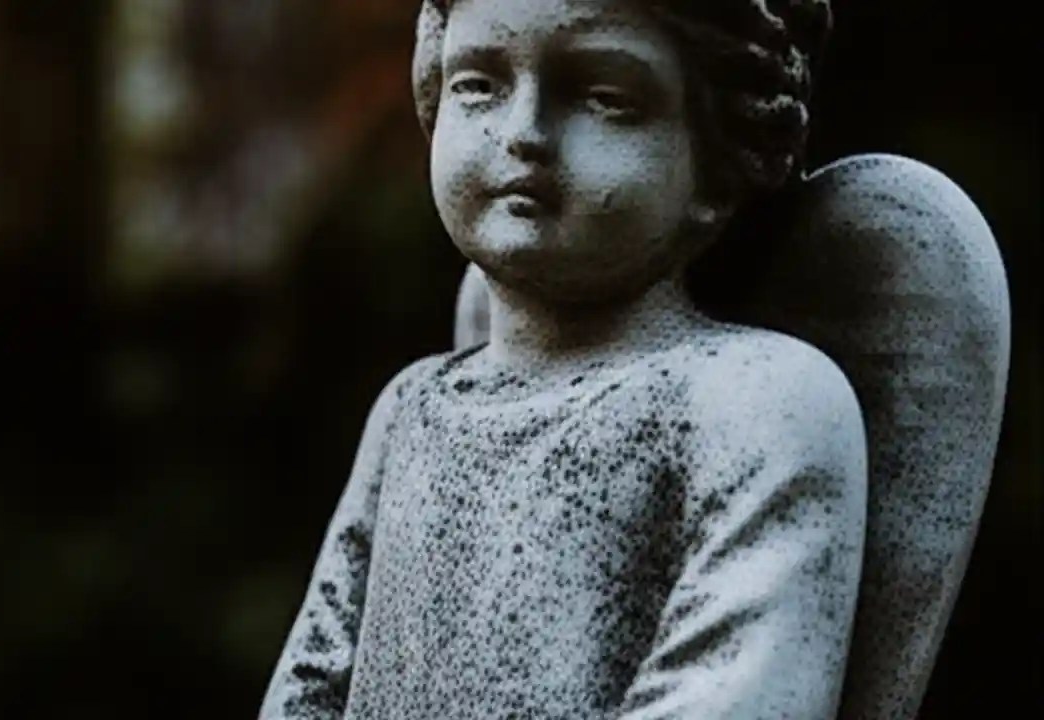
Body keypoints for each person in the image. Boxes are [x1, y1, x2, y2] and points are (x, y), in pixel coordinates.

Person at [261, 1, 867, 717]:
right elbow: (311, 684)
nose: (523, 133)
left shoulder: (756, 403)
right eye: (479, 84)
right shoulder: (411, 407)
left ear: (719, 155)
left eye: (603, 96)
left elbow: (736, 696)